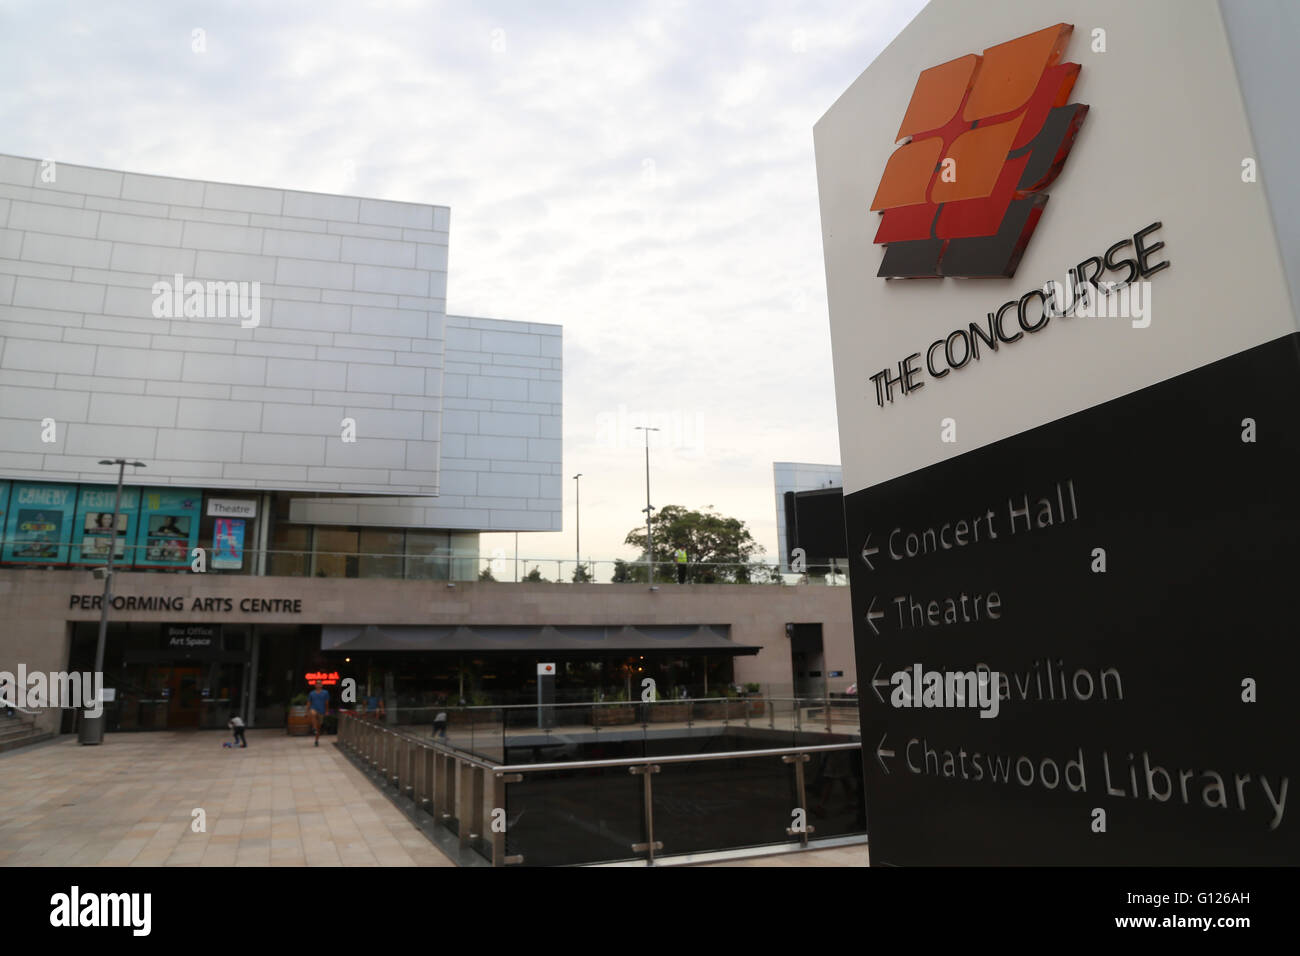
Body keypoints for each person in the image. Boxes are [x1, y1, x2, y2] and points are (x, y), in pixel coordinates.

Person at [307, 681, 329, 746]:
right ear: (315, 685)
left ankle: (316, 740)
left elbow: (327, 702)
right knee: (313, 713)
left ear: (322, 685)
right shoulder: (311, 693)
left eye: (320, 684)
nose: (318, 685)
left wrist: (327, 711)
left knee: (318, 727)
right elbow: (309, 702)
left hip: (321, 711)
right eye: (317, 684)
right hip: (313, 708)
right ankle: (314, 728)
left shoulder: (325, 693)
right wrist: (307, 711)